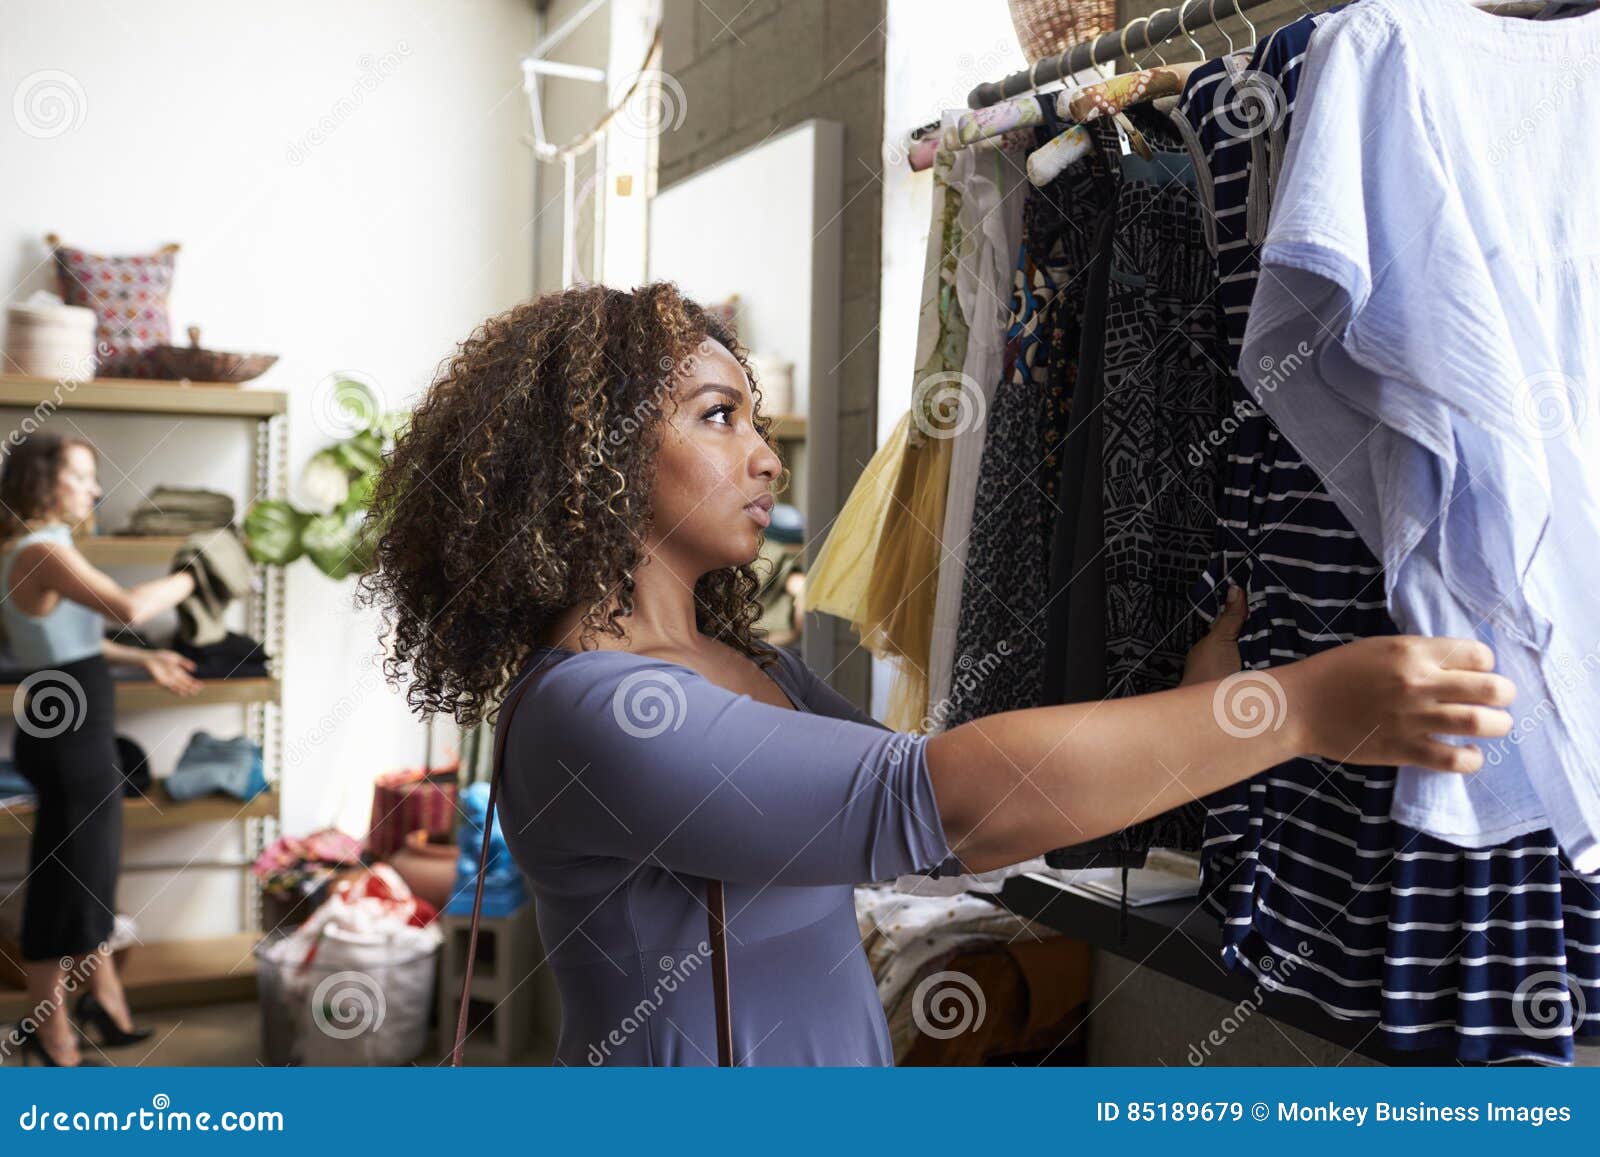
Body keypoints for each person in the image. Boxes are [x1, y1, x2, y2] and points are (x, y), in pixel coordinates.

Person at [358, 282, 1516, 1066]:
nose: (764, 453)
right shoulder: (594, 707)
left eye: (755, 417)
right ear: (594, 459)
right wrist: (1295, 707)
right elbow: (939, 802)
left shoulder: (739, 659)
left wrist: (1195, 691)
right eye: (719, 417)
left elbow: (975, 786)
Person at [1, 433, 201, 1066]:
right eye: (82, 476)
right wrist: (195, 574)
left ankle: (104, 1003)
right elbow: (132, 607)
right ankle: (51, 1030)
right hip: (68, 733)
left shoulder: (45, 550)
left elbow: (74, 642)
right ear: (42, 481)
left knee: (89, 869)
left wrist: (149, 659)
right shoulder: (38, 549)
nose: (94, 489)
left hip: (73, 717)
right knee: (67, 877)